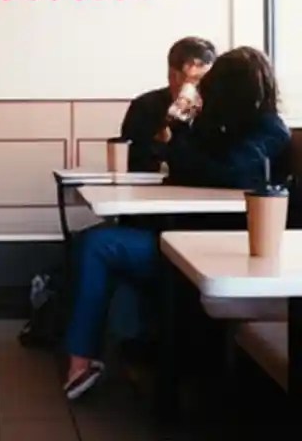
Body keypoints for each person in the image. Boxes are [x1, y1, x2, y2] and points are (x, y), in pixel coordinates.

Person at [63, 47, 291, 400]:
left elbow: (227, 171)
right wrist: (182, 122)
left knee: (98, 245)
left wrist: (182, 144)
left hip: (222, 249)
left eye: (211, 86)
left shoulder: (268, 130)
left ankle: (85, 358)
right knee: (93, 242)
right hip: (191, 238)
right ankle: (88, 355)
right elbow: (184, 163)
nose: (204, 93)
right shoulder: (222, 125)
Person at [120, 37, 217, 172]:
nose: (204, 86)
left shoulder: (217, 107)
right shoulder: (145, 107)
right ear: (173, 75)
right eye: (197, 79)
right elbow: (134, 162)